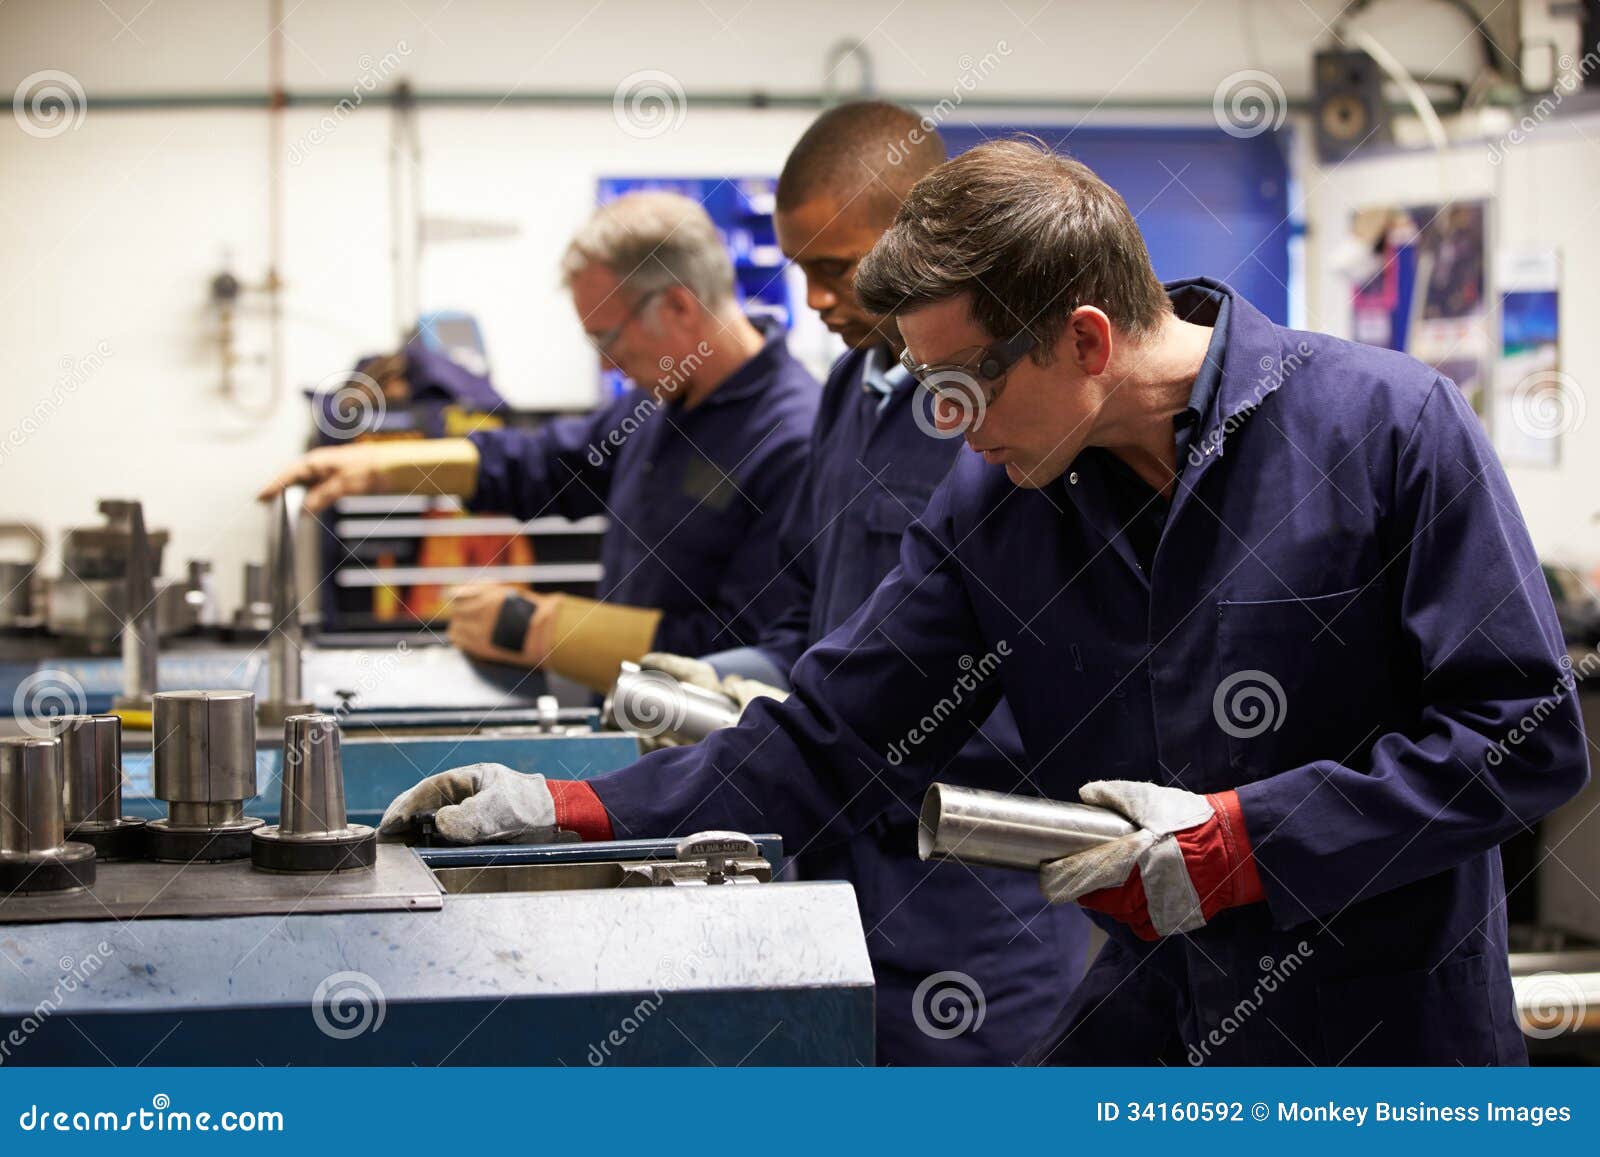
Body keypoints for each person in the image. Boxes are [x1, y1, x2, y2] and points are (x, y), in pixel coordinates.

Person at [380, 140, 1589, 1065]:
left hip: (1381, 1036)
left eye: (961, 386)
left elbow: (1522, 735)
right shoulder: (999, 506)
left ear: (1085, 339)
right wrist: (571, 805)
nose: (946, 427)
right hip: (1154, 1008)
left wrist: (1245, 842)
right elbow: (834, 731)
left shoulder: (1385, 427)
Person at [643, 103, 1088, 1066]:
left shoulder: (1007, 414)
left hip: (976, 896)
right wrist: (730, 677)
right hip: (840, 880)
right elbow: (812, 609)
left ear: (922, 236)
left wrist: (839, 722)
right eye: (799, 268)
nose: (813, 299)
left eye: (835, 268)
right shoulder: (851, 392)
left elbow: (1037, 672)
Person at [259, 192, 819, 691]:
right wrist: (382, 466)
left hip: (714, 751)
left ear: (678, 307)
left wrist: (537, 628)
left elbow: (750, 655)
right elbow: (552, 464)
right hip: (637, 718)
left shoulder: (790, 441)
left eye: (607, 337)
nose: (606, 364)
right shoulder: (662, 399)